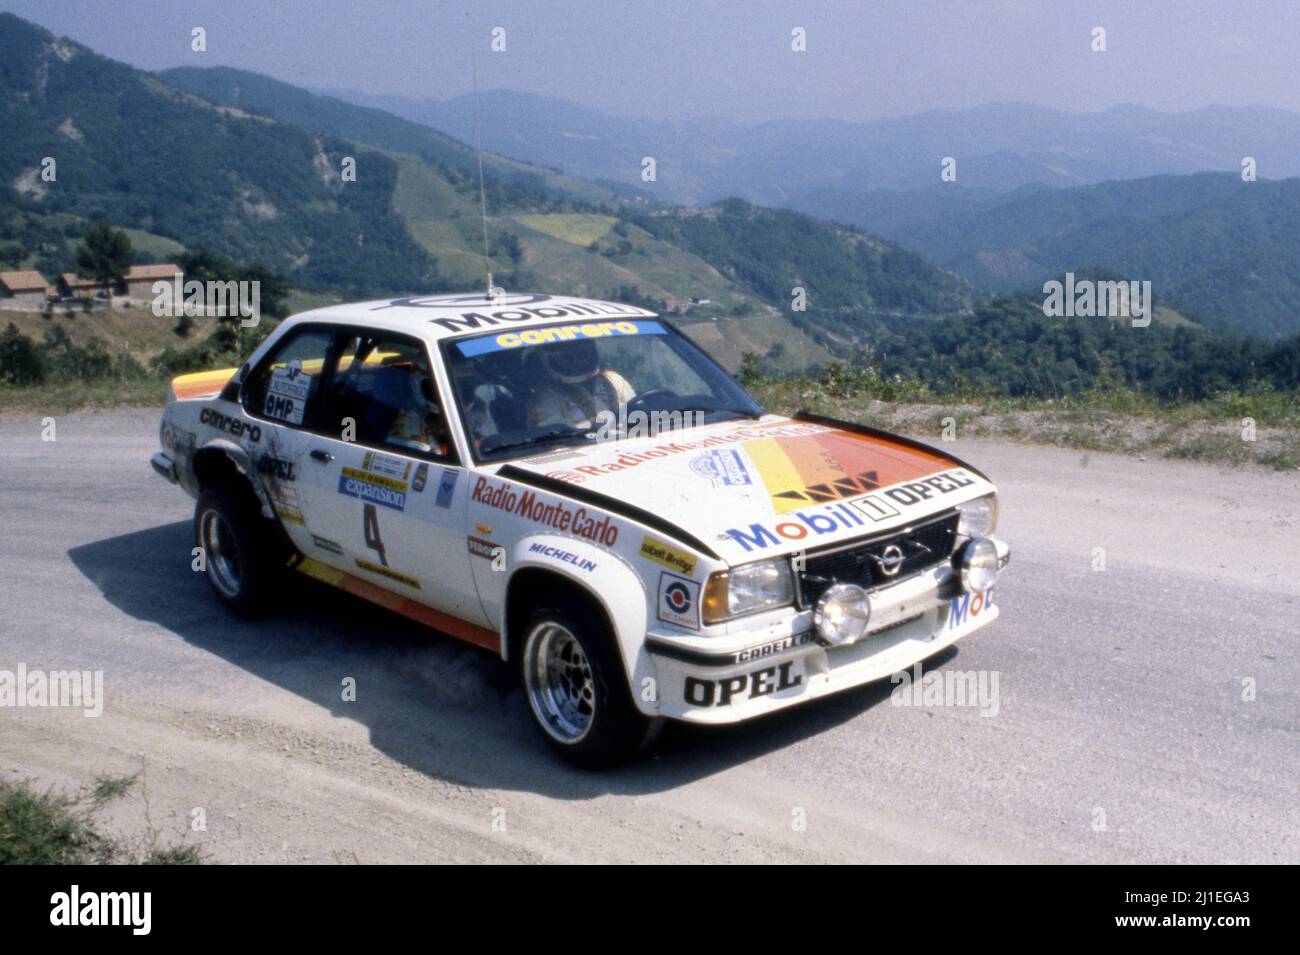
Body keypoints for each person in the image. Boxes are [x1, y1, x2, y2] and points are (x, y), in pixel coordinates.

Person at [526, 339, 635, 430]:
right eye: (567, 355)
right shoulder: (548, 397)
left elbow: (637, 412)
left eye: (582, 352)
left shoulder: (613, 380)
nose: (577, 360)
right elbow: (554, 442)